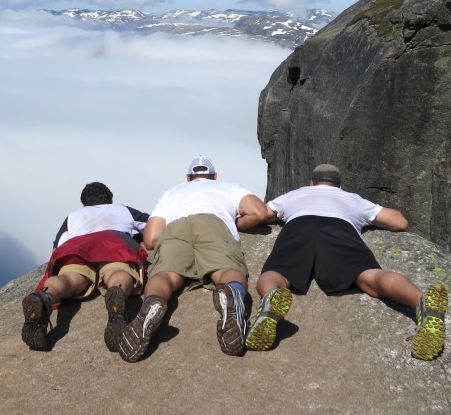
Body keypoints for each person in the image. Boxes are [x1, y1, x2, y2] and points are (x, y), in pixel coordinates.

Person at [245, 164, 448, 360]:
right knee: (369, 276)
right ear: (339, 186)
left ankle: (271, 300)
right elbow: (399, 222)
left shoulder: (296, 193)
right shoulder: (353, 199)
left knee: (276, 272)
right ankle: (421, 303)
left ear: (311, 183)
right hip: (340, 228)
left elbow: (264, 214)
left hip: (300, 225)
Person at [116, 155, 270, 362]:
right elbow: (260, 212)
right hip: (213, 223)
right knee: (225, 271)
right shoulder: (230, 187)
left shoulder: (172, 193)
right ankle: (232, 296)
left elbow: (151, 239)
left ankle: (152, 302)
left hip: (176, 227)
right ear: (214, 176)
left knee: (166, 275)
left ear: (188, 177)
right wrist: (235, 223)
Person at [21, 182, 150, 352]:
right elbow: (152, 225)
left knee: (70, 278)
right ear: (110, 200)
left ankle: (45, 296)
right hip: (113, 241)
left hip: (77, 246)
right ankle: (117, 292)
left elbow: (57, 247)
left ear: (83, 202)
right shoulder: (122, 209)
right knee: (117, 271)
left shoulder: (73, 215)